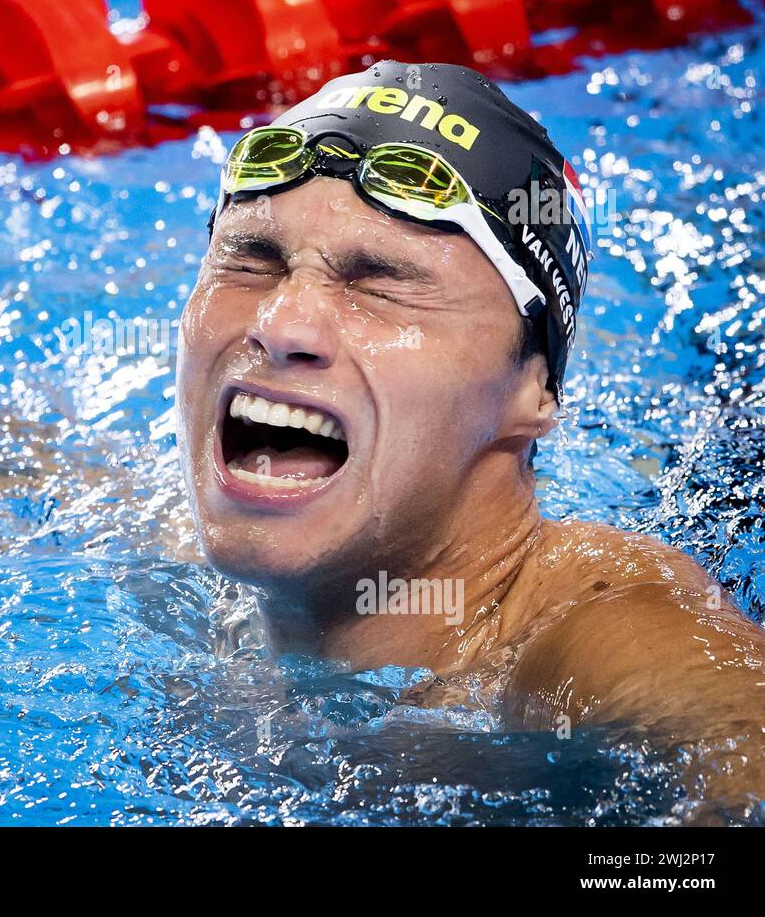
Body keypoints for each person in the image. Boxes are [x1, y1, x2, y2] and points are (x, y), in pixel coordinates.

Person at [174, 60, 765, 808]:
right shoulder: (168, 575)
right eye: (252, 260)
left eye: (379, 281)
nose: (279, 324)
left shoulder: (608, 635)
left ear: (535, 391)